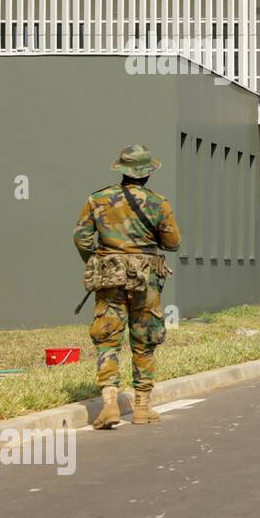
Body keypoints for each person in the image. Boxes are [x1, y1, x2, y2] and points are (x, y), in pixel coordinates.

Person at [73, 145, 182, 429]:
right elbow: (173, 243)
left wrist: (100, 261)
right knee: (144, 340)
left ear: (121, 169)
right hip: (146, 279)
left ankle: (110, 403)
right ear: (147, 173)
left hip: (109, 276)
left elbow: (82, 238)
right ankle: (142, 408)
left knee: (107, 339)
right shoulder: (159, 203)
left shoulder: (97, 199)